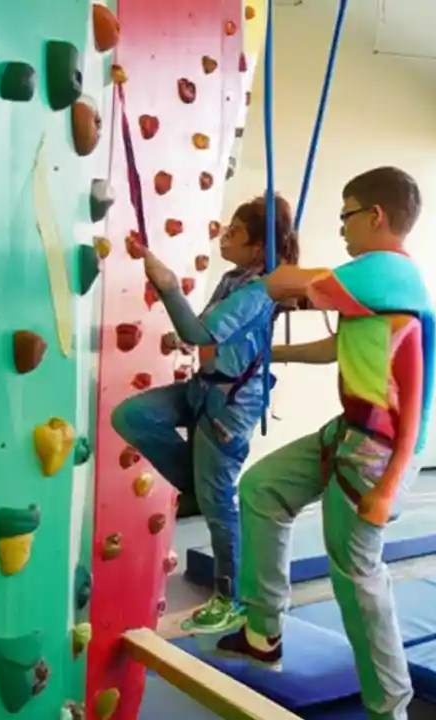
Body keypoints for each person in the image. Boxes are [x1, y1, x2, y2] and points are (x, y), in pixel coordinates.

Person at [212, 167, 434, 720]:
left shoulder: (385, 270)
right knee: (262, 487)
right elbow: (339, 347)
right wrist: (276, 355)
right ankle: (263, 630)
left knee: (356, 573)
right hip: (347, 433)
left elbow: (290, 283)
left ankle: (390, 708)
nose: (342, 230)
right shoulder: (377, 290)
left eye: (346, 217)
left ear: (376, 217)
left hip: (378, 451)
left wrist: (272, 268)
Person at [112, 195, 298, 634]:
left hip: (230, 406)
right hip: (204, 388)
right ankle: (194, 488)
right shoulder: (235, 279)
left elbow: (197, 330)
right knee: (132, 416)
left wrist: (168, 285)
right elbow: (209, 332)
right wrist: (190, 338)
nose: (224, 235)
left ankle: (229, 596)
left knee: (219, 508)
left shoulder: (259, 290)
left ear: (257, 247)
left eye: (235, 231)